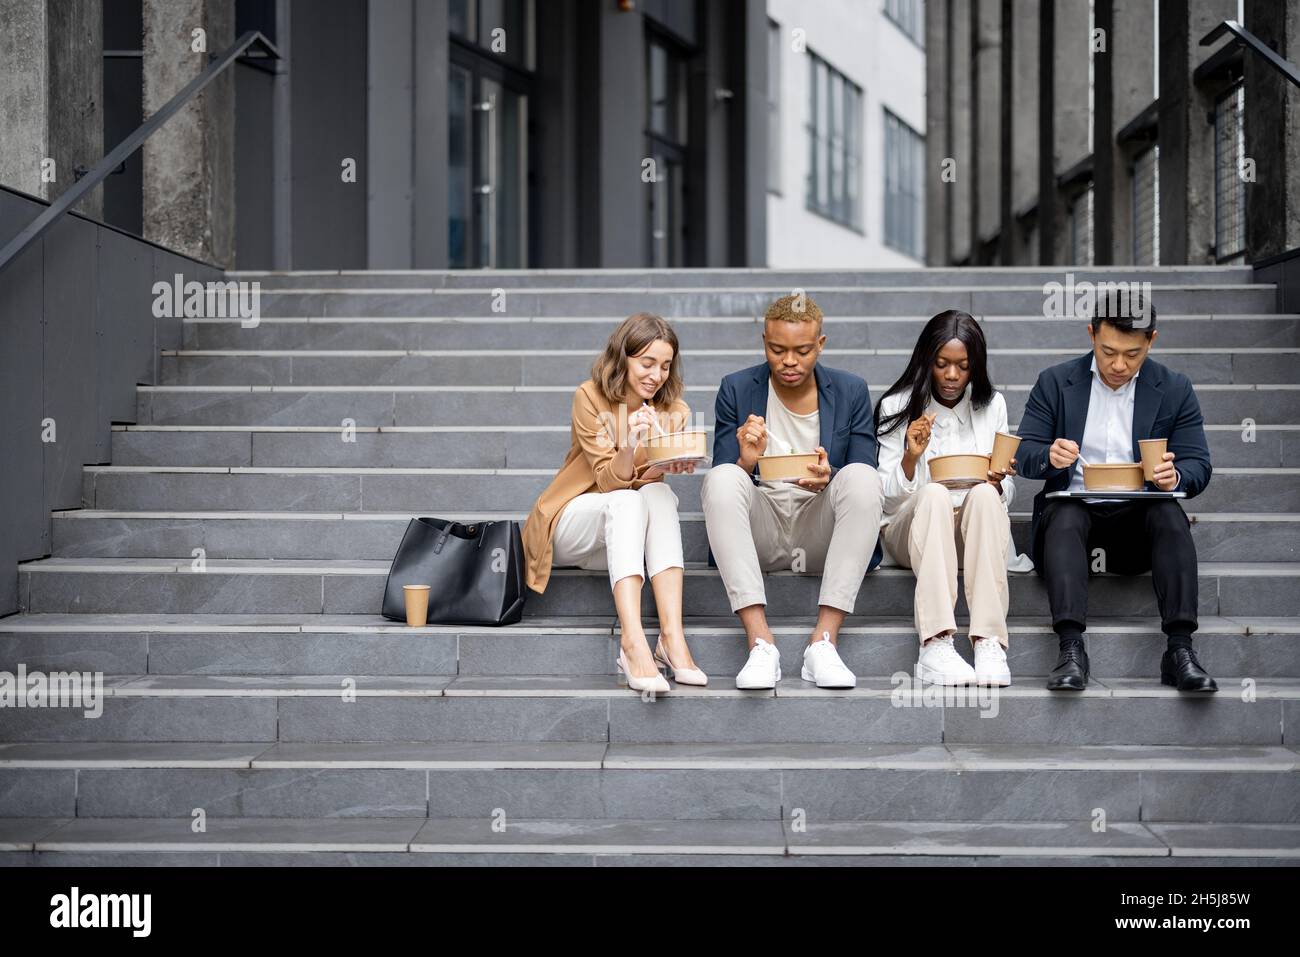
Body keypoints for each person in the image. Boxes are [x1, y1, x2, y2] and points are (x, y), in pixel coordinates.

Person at [1015, 296, 1217, 692]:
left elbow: (1199, 465)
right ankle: (1071, 648)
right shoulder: (1055, 382)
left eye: (1132, 354)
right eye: (1108, 352)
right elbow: (1022, 454)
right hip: (1073, 522)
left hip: (1137, 524)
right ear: (1091, 334)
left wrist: (1173, 476)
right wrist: (1049, 457)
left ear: (1152, 341)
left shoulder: (1174, 388)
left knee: (1169, 515)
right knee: (1067, 512)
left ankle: (1179, 650)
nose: (1119, 365)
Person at [701, 294, 885, 690]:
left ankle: (824, 642)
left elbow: (863, 463)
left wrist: (829, 474)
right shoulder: (736, 389)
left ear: (820, 344)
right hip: (762, 525)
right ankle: (760, 642)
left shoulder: (851, 390)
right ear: (763, 341)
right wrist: (746, 460)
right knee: (721, 478)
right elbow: (727, 480)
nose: (788, 361)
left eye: (802, 351)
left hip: (818, 527)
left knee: (864, 478)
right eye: (776, 349)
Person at [521, 313, 706, 694]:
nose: (656, 375)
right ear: (623, 358)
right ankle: (632, 640)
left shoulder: (675, 412)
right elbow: (607, 481)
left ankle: (672, 637)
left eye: (665, 366)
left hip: (623, 538)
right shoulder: (589, 396)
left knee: (657, 494)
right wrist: (631, 443)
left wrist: (668, 462)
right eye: (647, 363)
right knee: (626, 501)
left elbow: (648, 483)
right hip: (573, 520)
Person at [875, 310, 1031, 687]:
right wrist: (911, 458)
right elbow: (886, 502)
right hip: (912, 531)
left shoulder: (992, 406)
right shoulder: (897, 406)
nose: (951, 375)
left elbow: (1004, 494)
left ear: (975, 366)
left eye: (963, 366)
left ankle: (989, 640)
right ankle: (935, 642)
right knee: (933, 493)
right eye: (942, 364)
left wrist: (997, 482)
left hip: (971, 531)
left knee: (983, 494)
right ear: (926, 361)